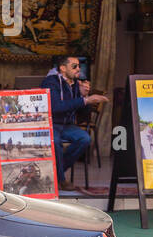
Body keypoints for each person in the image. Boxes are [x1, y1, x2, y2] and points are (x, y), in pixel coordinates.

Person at [43, 53, 107, 190]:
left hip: (67, 125)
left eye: (79, 66)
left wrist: (85, 96)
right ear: (63, 68)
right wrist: (84, 100)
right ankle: (61, 179)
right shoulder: (51, 82)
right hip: (51, 123)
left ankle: (54, 174)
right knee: (55, 142)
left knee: (84, 138)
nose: (78, 69)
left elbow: (84, 116)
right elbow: (56, 108)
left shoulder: (75, 85)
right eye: (74, 66)